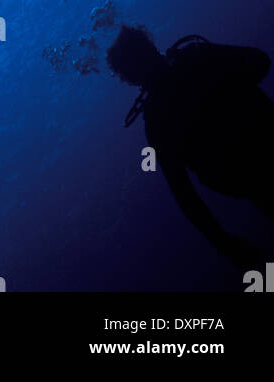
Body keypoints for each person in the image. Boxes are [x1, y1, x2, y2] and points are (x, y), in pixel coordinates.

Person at [106, 25, 273, 267]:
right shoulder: (196, 55)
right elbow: (260, 61)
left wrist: (223, 242)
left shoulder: (155, 121)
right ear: (151, 46)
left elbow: (184, 193)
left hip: (248, 181)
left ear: (130, 78)